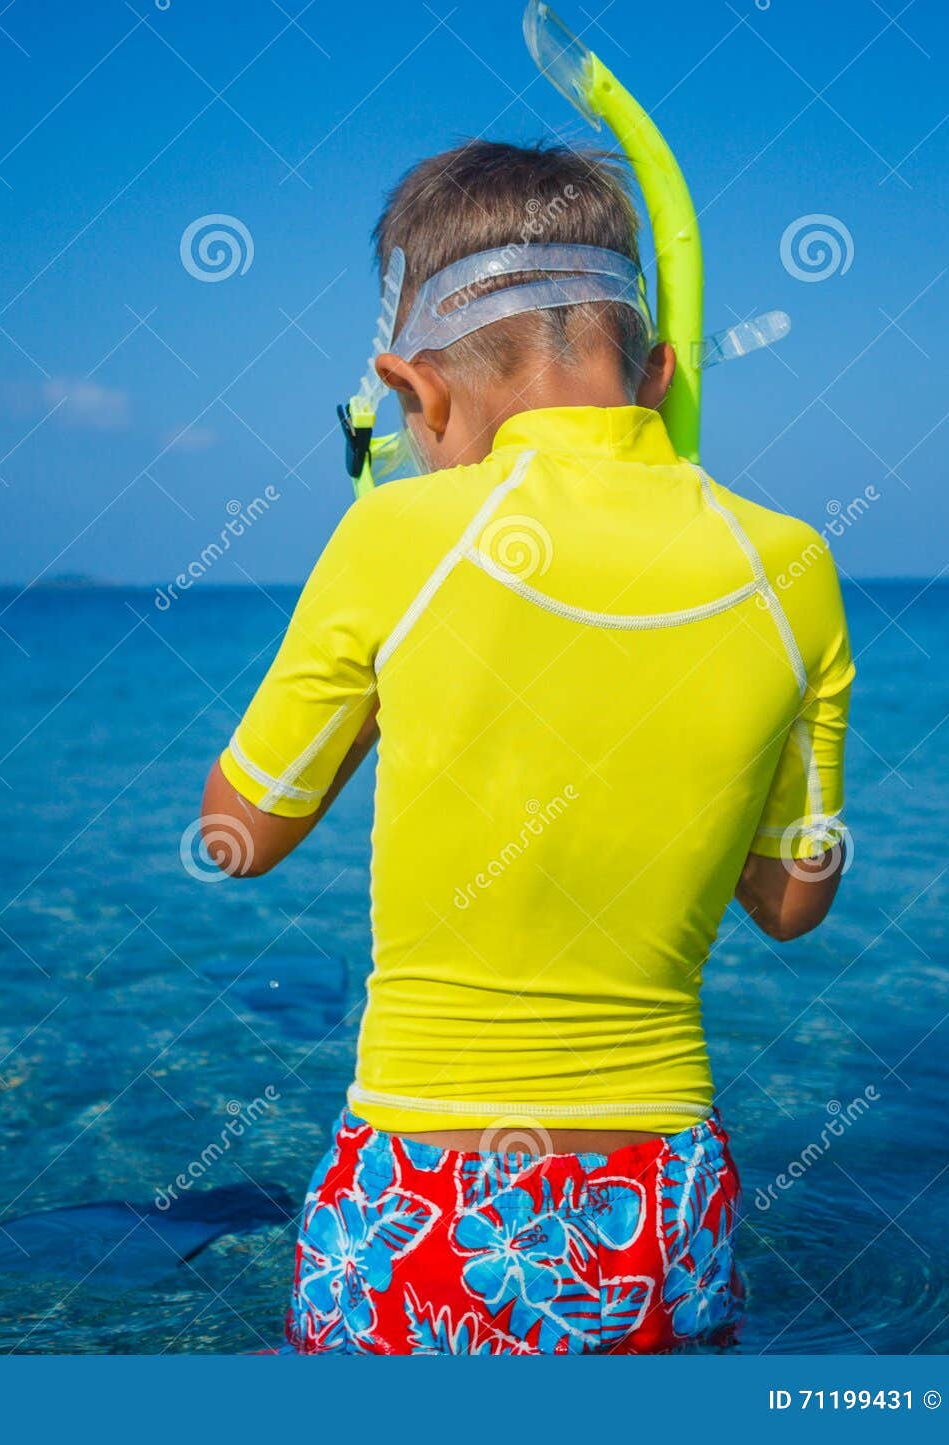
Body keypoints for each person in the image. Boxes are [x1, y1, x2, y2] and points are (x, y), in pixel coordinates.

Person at [197, 140, 853, 1355]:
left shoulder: (396, 537)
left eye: (405, 425)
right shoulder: (791, 565)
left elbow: (236, 835)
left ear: (416, 389)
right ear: (659, 370)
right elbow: (791, 900)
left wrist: (380, 691)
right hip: (660, 1208)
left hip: (426, 1200)